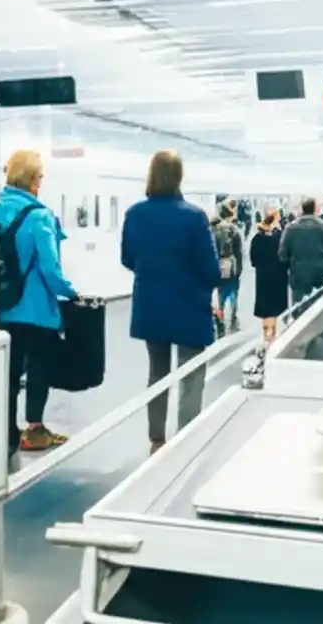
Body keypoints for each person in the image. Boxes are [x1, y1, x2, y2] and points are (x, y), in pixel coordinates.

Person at [121, 150, 221, 454]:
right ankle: (187, 437)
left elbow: (128, 258)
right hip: (189, 306)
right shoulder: (193, 217)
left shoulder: (135, 214)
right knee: (191, 373)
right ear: (180, 176)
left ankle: (156, 438)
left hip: (151, 305)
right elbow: (210, 269)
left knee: (157, 372)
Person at [0, 149, 77, 455]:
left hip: (3, 307)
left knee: (9, 372)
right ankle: (35, 429)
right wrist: (70, 292)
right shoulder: (40, 216)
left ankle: (8, 431)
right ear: (34, 180)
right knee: (39, 367)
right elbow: (50, 268)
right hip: (36, 310)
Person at [279, 196, 323, 306]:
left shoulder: (290, 228)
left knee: (299, 309)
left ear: (302, 209)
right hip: (321, 276)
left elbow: (282, 254)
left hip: (299, 276)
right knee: (319, 309)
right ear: (315, 210)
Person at [250, 206, 289, 345]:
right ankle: (272, 337)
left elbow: (253, 260)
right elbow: (286, 257)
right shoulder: (281, 237)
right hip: (279, 278)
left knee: (266, 309)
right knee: (276, 309)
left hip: (262, 278)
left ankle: (267, 336)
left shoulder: (256, 239)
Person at [213, 198, 244, 331]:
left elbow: (212, 248)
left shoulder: (216, 229)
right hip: (232, 262)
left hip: (220, 263)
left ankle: (220, 313)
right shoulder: (234, 229)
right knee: (233, 289)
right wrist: (239, 267)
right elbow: (239, 250)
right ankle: (233, 314)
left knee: (221, 290)